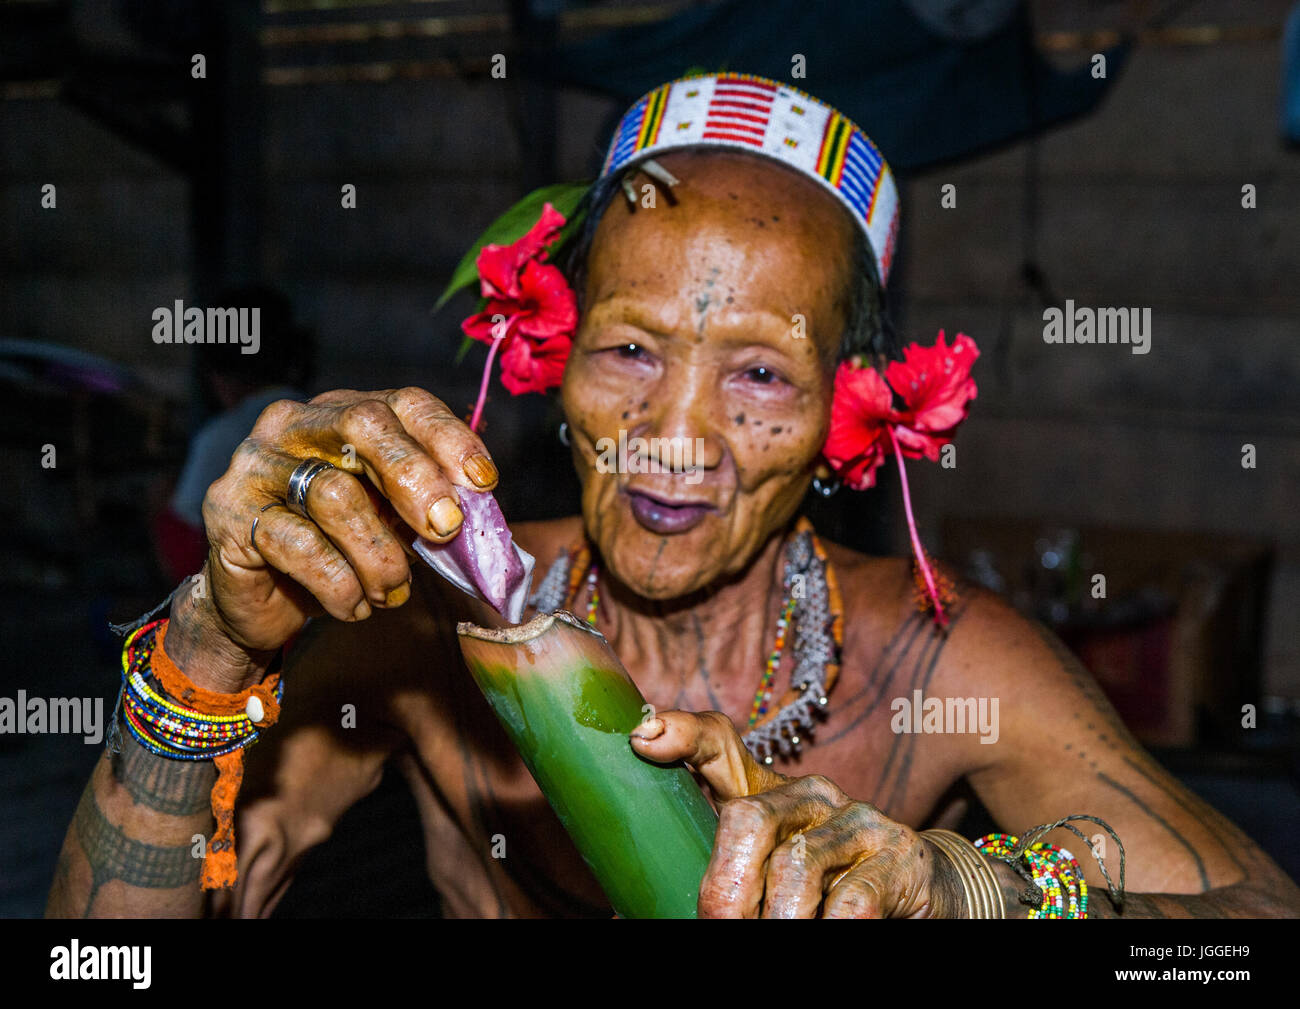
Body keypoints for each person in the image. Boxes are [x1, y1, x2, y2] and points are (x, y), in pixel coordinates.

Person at [48, 73, 1300, 918]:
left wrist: (979, 892)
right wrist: (203, 652)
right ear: (549, 358)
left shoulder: (938, 664)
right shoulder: (425, 632)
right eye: (631, 350)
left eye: (758, 371)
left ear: (847, 414)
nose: (676, 435)